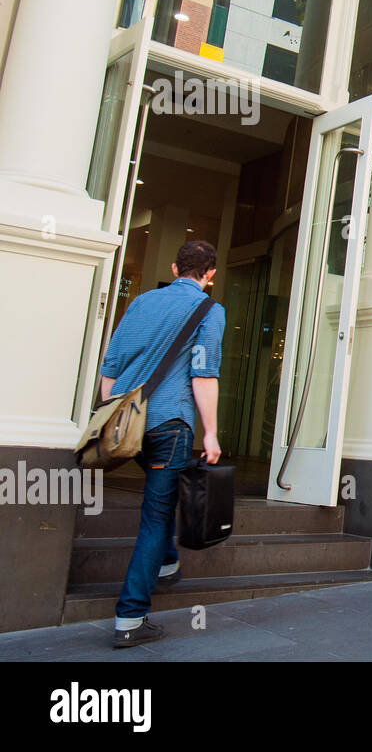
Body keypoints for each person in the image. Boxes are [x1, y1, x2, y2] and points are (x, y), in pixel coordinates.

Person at [98, 240, 225, 647]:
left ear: (174, 268)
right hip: (171, 425)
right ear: (211, 274)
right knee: (155, 516)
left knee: (161, 501)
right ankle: (130, 617)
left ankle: (167, 563)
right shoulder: (210, 310)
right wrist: (210, 432)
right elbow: (203, 373)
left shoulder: (139, 304)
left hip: (129, 425)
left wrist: (114, 419)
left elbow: (110, 369)